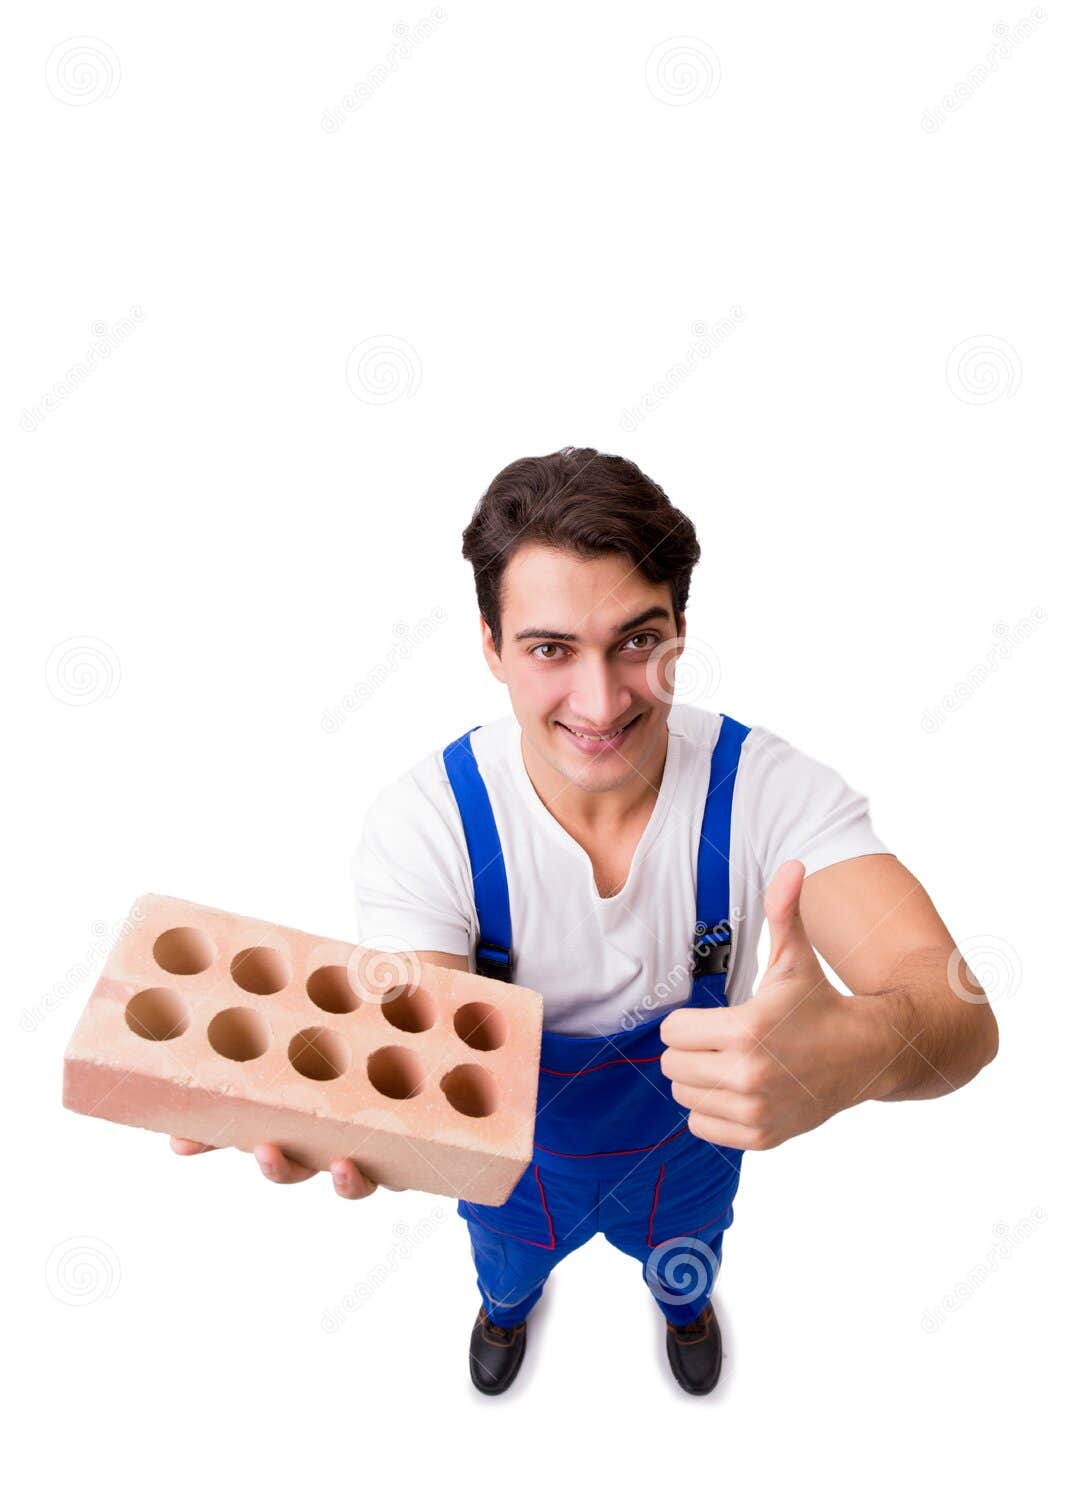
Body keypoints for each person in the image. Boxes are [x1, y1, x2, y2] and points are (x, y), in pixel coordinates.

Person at [172, 447, 999, 1397]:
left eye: (637, 641)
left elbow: (963, 1018)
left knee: (686, 1259)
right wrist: (356, 1109)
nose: (602, 702)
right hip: (518, 1162)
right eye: (550, 649)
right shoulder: (429, 823)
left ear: (681, 633)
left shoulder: (765, 791)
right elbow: (417, 1049)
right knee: (507, 1266)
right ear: (491, 647)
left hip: (688, 1149)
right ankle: (506, 1309)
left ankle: (685, 1310)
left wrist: (863, 1050)